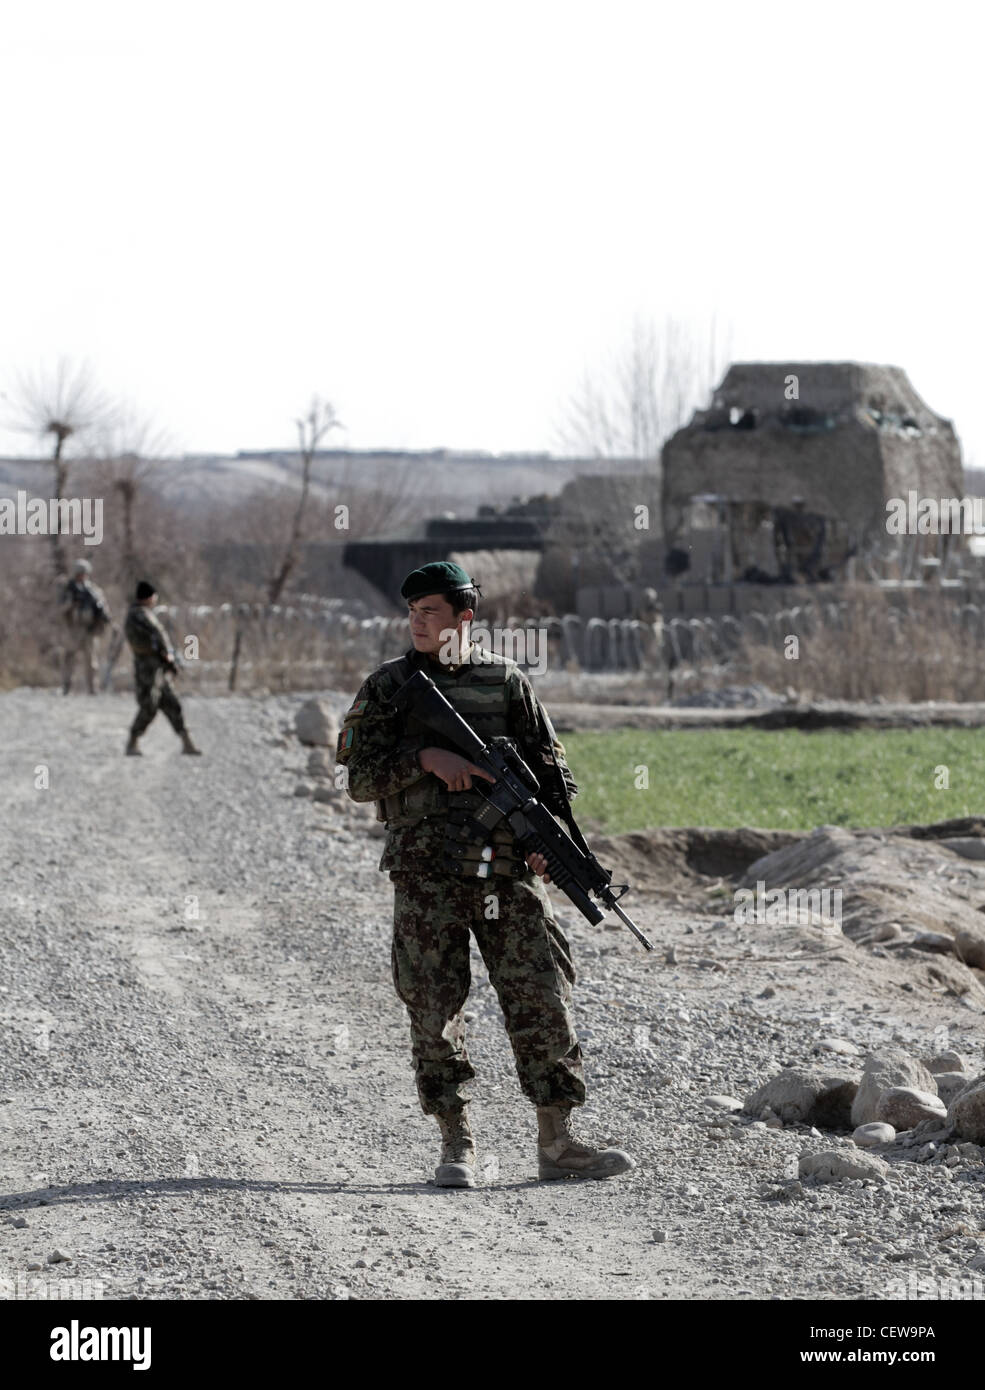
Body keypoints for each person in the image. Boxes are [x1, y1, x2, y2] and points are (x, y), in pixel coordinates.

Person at [336, 560, 634, 1188]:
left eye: (430, 612)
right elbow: (358, 779)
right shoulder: (389, 687)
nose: (417, 623)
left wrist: (548, 845)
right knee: (433, 1005)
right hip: (426, 874)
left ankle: (557, 1141)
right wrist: (424, 757)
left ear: (463, 617)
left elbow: (552, 777)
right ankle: (457, 1143)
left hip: (506, 874)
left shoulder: (506, 684)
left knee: (542, 998)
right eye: (412, 613)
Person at [123, 581, 201, 757]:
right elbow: (155, 640)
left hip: (157, 668)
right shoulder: (139, 615)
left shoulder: (142, 614)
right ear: (149, 597)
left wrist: (168, 661)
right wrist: (167, 658)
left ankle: (187, 742)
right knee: (149, 705)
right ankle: (132, 741)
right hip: (148, 668)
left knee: (171, 703)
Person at [61, 558, 111, 694]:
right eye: (79, 573)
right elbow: (62, 609)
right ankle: (66, 686)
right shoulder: (69, 589)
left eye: (84, 573)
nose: (82, 575)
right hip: (75, 629)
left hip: (90, 630)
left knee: (91, 661)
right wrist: (72, 602)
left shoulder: (93, 590)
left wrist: (103, 616)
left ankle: (92, 688)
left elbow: (103, 608)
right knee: (69, 658)